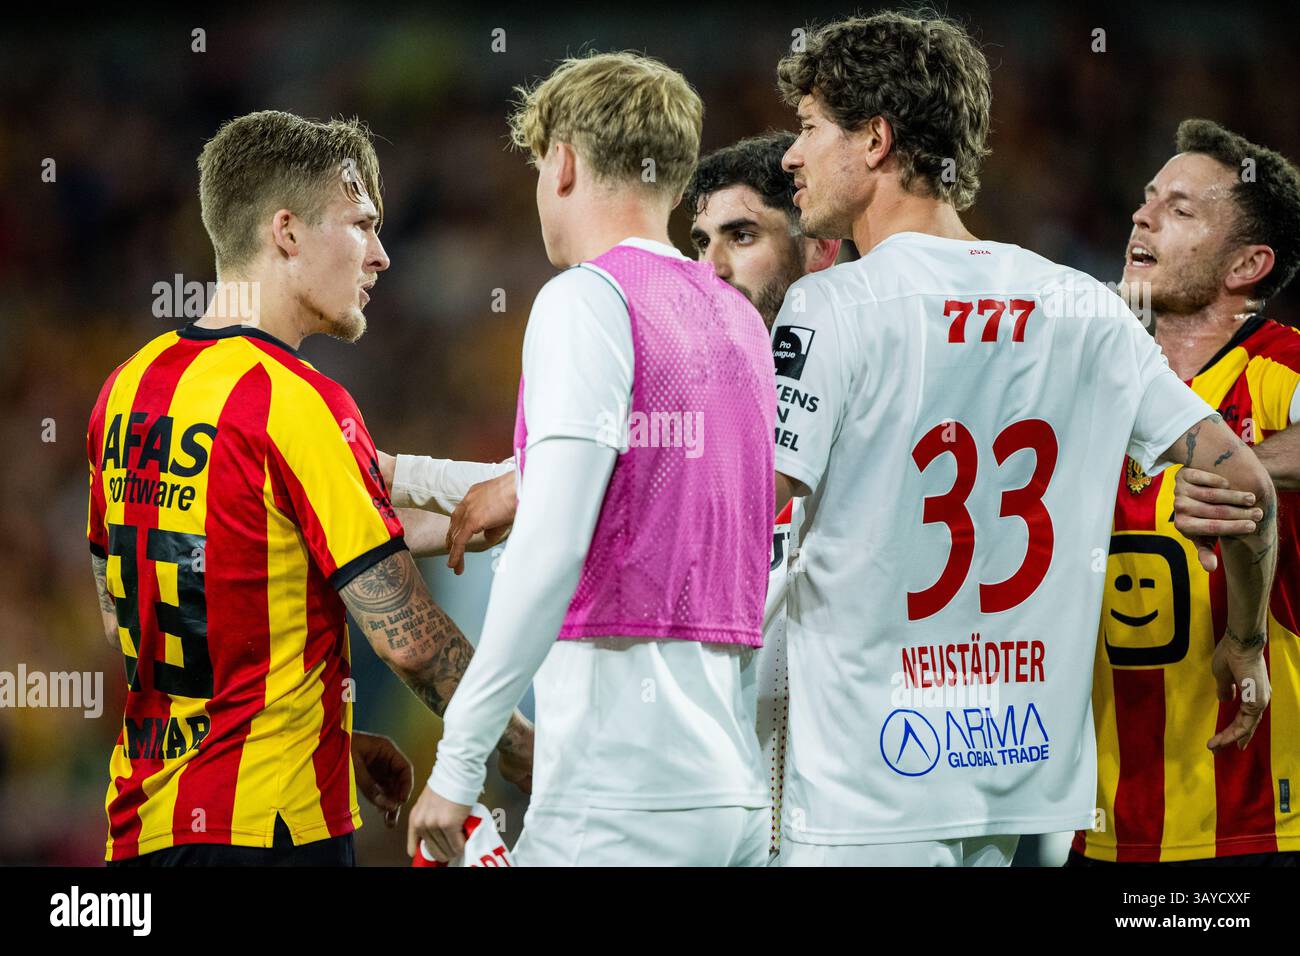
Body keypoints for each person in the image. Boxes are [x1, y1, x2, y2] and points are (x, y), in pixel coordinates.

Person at [767, 12, 1276, 867]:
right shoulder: (1085, 307)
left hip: (864, 791)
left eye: (812, 128)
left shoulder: (832, 306)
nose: (791, 155)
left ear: (877, 141)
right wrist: (1245, 638)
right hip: (1021, 789)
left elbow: (747, 503)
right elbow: (1248, 486)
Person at [86, 110, 531, 866]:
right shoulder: (296, 402)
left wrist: (325, 734)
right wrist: (521, 747)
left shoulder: (125, 391)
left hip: (144, 830)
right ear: (287, 232)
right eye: (361, 224)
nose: (382, 257)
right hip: (272, 835)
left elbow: (129, 622)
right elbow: (411, 645)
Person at [406, 52, 776, 866]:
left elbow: (553, 543)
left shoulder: (585, 300)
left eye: (540, 166)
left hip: (622, 794)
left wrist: (459, 759)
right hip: (735, 793)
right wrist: (402, 476)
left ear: (563, 163)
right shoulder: (739, 320)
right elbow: (617, 495)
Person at [1071, 119, 1300, 866]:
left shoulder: (1276, 369)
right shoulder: (1085, 371)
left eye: (1180, 208)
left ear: (1247, 265)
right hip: (1095, 821)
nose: (1143, 216)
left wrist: (1241, 469)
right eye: (1146, 200)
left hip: (1253, 819)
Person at [685, 131, 840, 861]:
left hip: (854, 816)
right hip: (734, 814)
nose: (709, 269)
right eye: (700, 240)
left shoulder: (866, 381)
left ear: (820, 251)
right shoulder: (692, 394)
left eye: (741, 236)